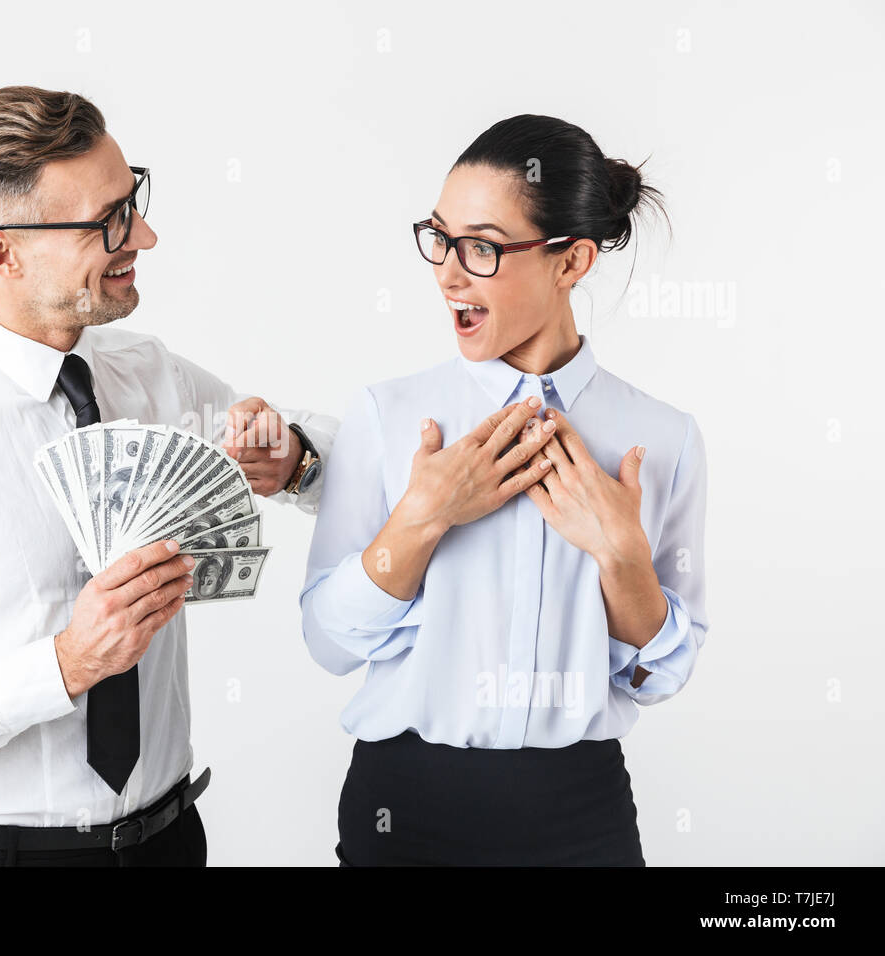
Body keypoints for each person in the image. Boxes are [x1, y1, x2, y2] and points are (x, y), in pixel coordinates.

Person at [0, 86, 337, 867]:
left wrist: (292, 460)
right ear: (0, 251)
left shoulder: (149, 375)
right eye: (107, 221)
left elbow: (334, 462)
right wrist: (63, 667)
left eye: (134, 201)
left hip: (171, 844)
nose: (144, 235)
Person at [300, 114, 708, 867]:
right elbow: (327, 643)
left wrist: (622, 557)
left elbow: (659, 676)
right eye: (439, 238)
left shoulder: (664, 437)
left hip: (580, 813)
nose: (448, 273)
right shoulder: (387, 416)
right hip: (405, 804)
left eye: (482, 247)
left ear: (572, 261)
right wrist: (419, 522)